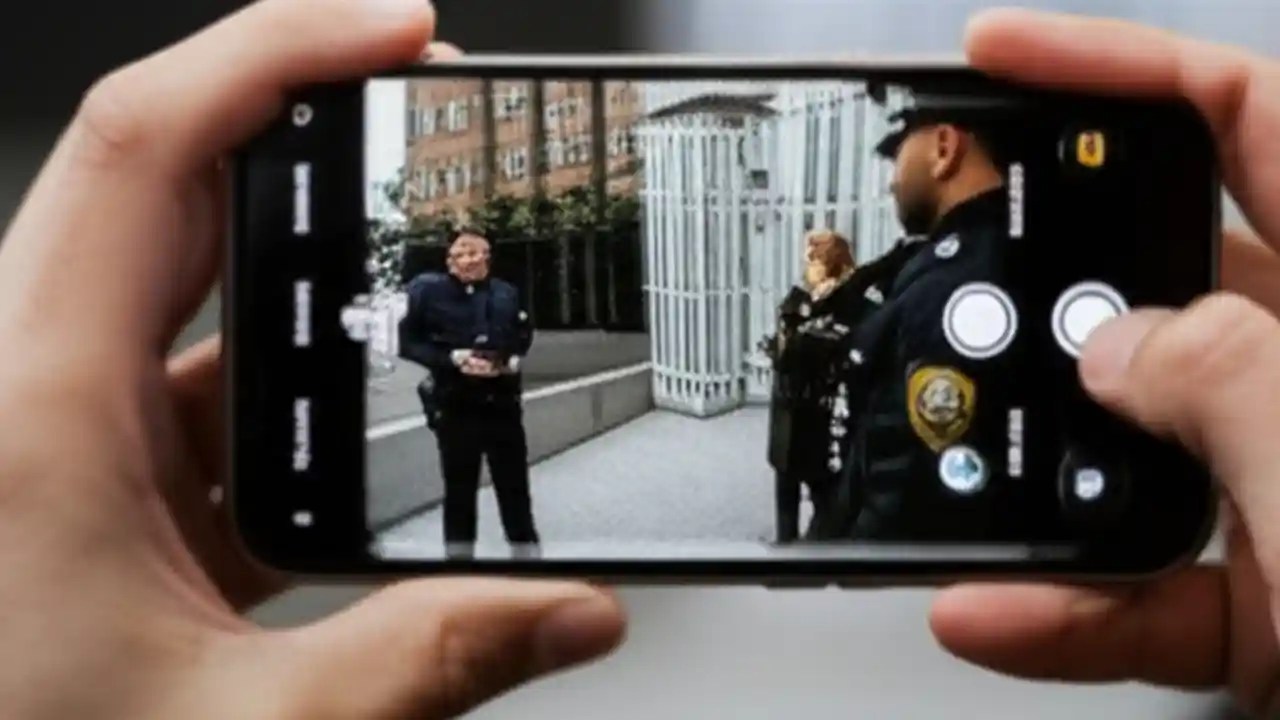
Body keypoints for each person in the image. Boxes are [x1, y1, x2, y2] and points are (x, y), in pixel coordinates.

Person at [1, 1, 1280, 717]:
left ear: (938, 148)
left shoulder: (925, 273)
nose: (462, 267)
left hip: (600, 417)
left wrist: (842, 523)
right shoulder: (907, 271)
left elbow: (893, 443)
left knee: (507, 498)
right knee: (469, 504)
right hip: (472, 407)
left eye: (894, 147)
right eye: (447, 258)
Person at [832, 91, 1020, 542]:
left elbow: (907, 496)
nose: (892, 182)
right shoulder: (979, 254)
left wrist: (837, 577)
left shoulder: (954, 286)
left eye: (897, 155)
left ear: (943, 147)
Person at [400, 229, 540, 556]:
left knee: (515, 491)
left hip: (503, 406)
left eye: (474, 253)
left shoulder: (507, 293)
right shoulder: (426, 292)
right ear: (448, 260)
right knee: (460, 494)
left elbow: (523, 333)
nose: (466, 260)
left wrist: (511, 361)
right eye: (459, 254)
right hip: (455, 407)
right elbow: (407, 343)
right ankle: (459, 567)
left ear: (487, 257)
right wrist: (451, 359)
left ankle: (530, 565)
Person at [764, 229, 877, 543]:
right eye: (807, 257)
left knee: (825, 491)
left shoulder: (855, 306)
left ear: (835, 263)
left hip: (827, 412)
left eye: (814, 258)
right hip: (789, 408)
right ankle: (785, 542)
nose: (807, 264)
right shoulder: (797, 302)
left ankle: (820, 546)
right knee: (786, 482)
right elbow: (785, 351)